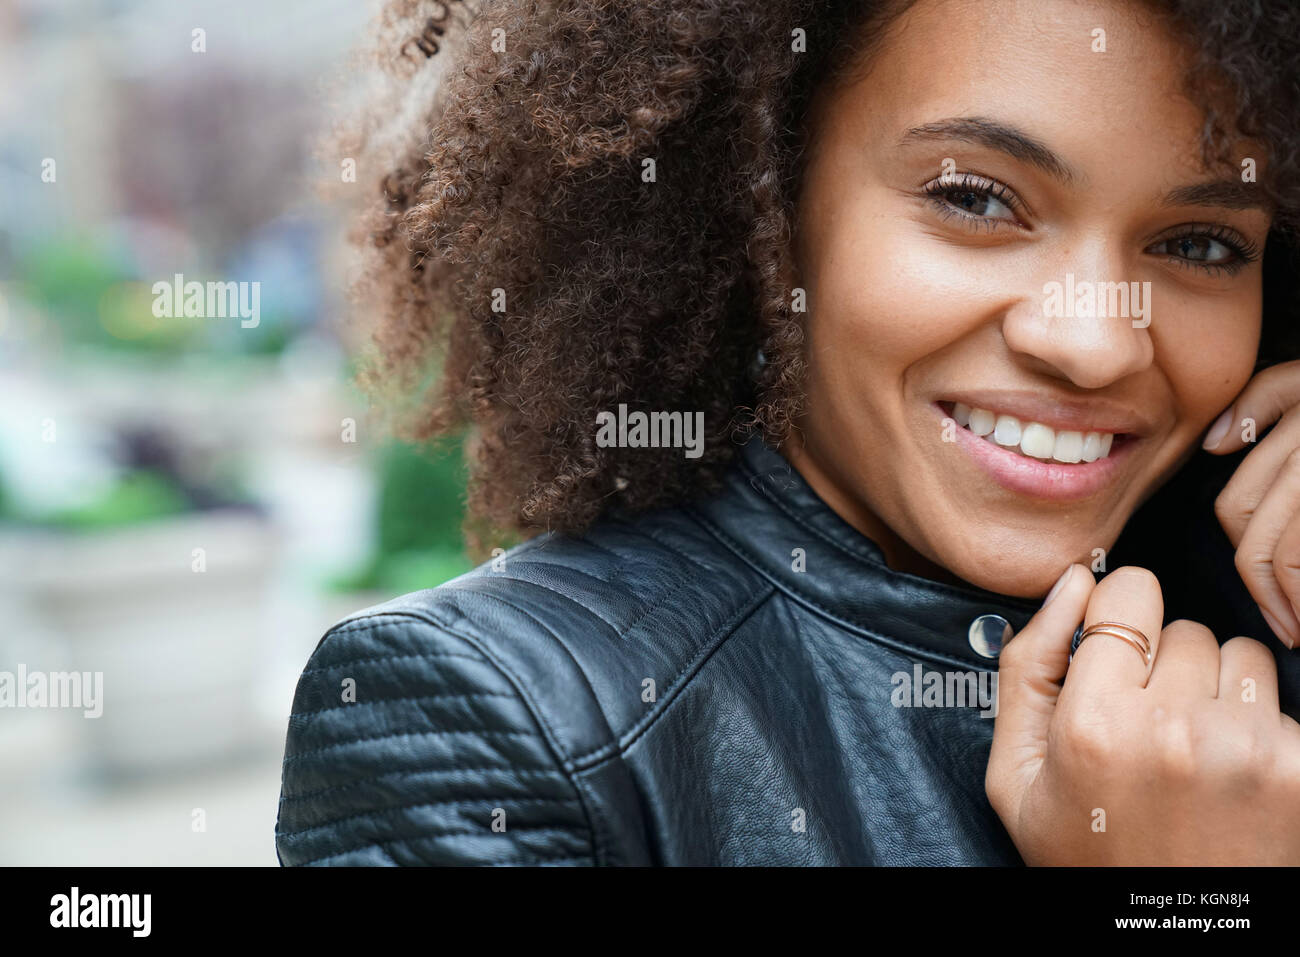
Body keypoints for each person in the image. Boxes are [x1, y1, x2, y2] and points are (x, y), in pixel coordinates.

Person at [275, 0, 1300, 865]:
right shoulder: (501, 716)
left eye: (1200, 243)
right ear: (761, 204)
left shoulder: (1260, 606)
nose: (1096, 346)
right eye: (975, 198)